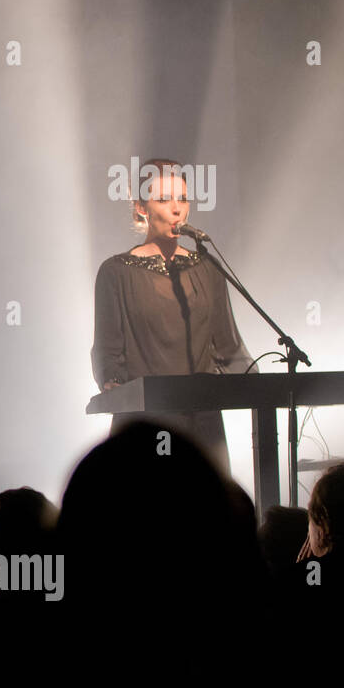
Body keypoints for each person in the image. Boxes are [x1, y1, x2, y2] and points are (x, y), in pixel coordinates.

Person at [92, 159, 252, 471]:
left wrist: (258, 387)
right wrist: (113, 384)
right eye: (164, 200)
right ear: (141, 208)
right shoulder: (115, 272)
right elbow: (108, 352)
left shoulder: (207, 268)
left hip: (203, 421)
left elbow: (228, 346)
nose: (176, 209)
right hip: (144, 422)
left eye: (182, 198)